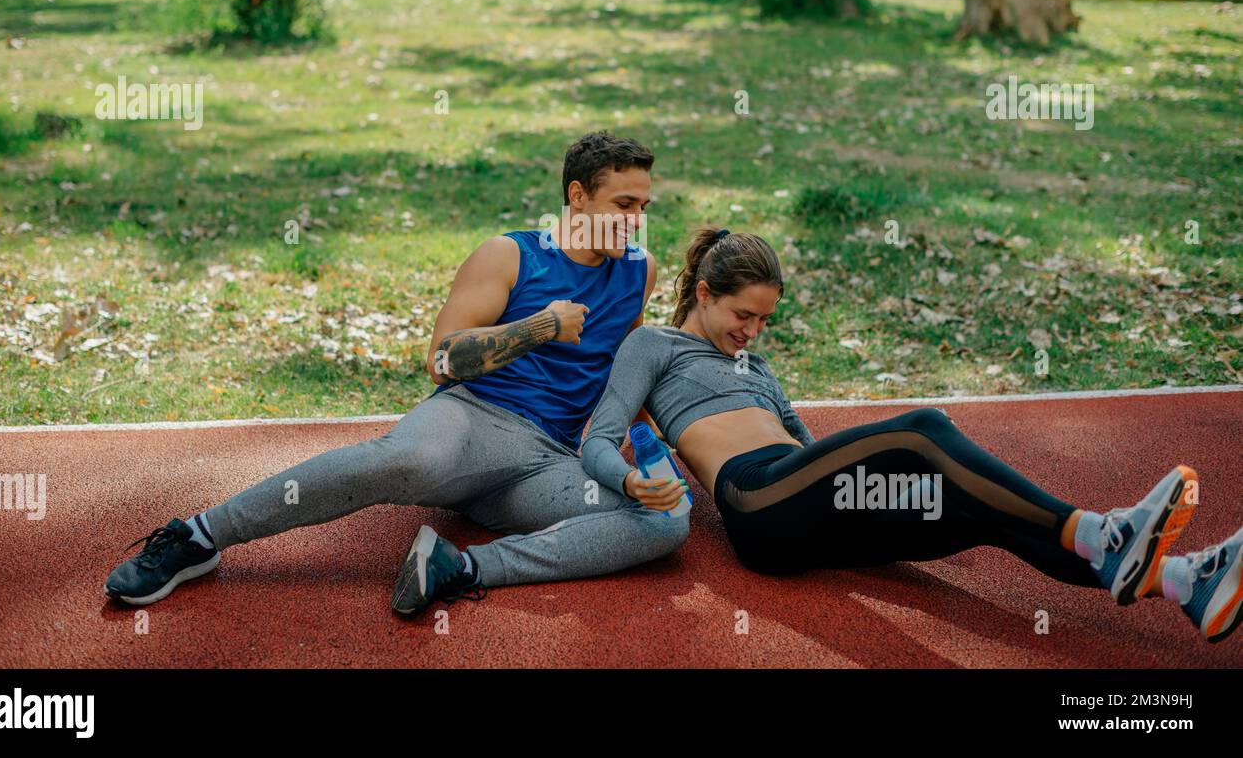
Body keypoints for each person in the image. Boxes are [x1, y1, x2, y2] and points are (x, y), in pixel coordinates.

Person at [104, 131, 689, 613]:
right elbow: (441, 362)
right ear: (579, 196)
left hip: (542, 466)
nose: (636, 221)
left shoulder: (639, 270)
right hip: (470, 421)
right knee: (409, 458)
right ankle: (200, 537)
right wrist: (538, 328)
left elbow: (623, 368)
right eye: (623, 205)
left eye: (644, 208)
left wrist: (643, 450)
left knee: (667, 521)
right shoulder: (510, 256)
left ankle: (458, 567)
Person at [578, 226, 1243, 643]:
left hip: (811, 504)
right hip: (756, 503)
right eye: (741, 314)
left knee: (984, 511)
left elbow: (815, 452)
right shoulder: (653, 344)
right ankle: (1097, 530)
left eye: (765, 321)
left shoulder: (759, 365)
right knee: (926, 429)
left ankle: (1184, 582)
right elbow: (598, 439)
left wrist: (891, 492)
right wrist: (633, 478)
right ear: (701, 291)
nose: (752, 331)